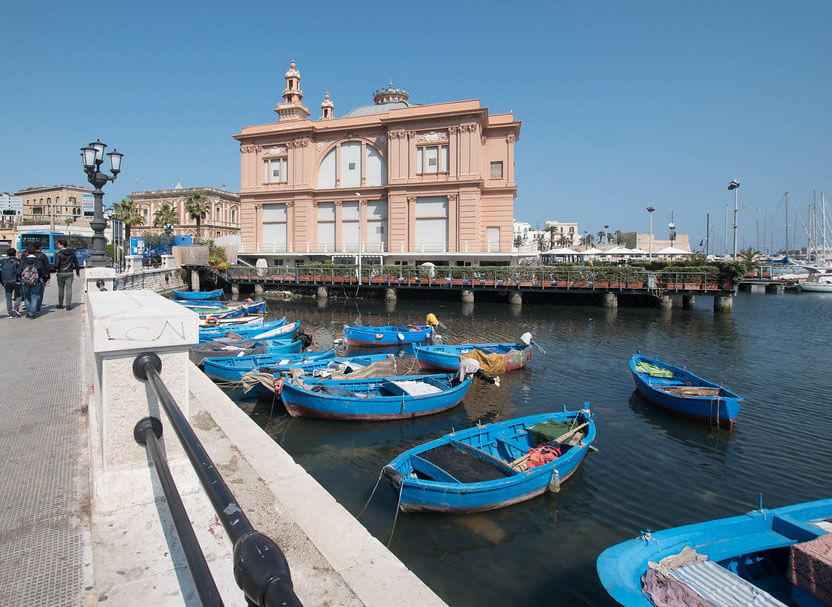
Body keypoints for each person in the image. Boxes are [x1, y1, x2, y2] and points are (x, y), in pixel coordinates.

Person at [20, 244, 48, 319]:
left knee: (27, 297)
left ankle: (28, 312)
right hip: (36, 281)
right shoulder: (38, 260)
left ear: (27, 252)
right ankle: (32, 313)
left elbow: (19, 271)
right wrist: (45, 279)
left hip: (25, 281)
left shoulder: (23, 260)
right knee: (34, 296)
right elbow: (42, 271)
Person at [54, 238, 81, 310]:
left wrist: (56, 269)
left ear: (61, 245)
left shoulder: (58, 254)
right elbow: (76, 263)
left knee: (61, 289)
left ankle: (60, 304)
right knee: (69, 289)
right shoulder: (72, 253)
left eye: (58, 244)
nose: (58, 245)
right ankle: (68, 305)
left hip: (61, 273)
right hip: (69, 272)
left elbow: (56, 265)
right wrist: (77, 272)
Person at [1, 248, 22, 318]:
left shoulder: (3, 262)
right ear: (15, 254)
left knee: (8, 297)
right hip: (16, 281)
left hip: (6, 281)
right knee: (19, 295)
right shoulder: (18, 261)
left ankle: (10, 313)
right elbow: (20, 271)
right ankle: (16, 308)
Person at [33, 243, 51, 314]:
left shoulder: (29, 255)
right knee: (39, 293)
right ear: (40, 247)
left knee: (32, 293)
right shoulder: (43, 256)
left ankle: (30, 308)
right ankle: (37, 308)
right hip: (40, 276)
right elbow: (47, 267)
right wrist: (47, 277)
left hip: (29, 277)